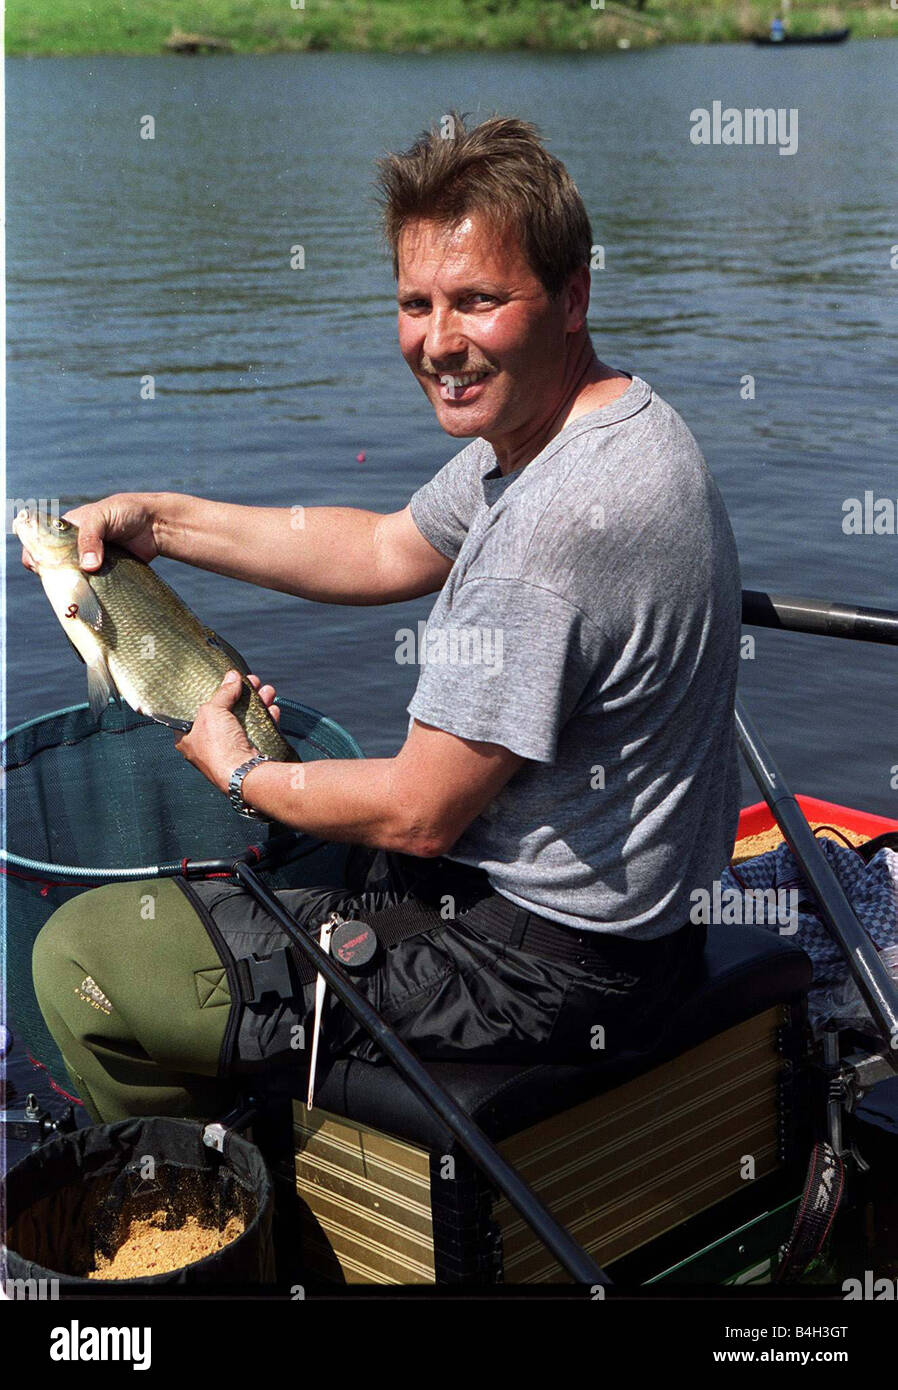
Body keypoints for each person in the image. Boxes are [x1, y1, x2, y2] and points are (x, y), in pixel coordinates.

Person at [25, 115, 741, 1125]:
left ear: (572, 294)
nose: (438, 342)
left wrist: (240, 769)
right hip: (608, 922)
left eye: (478, 301)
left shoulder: (554, 530)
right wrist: (161, 520)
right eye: (416, 302)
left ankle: (224, 1200)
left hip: (540, 970)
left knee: (79, 951)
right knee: (295, 860)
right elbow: (385, 546)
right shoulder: (593, 424)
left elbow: (418, 810)